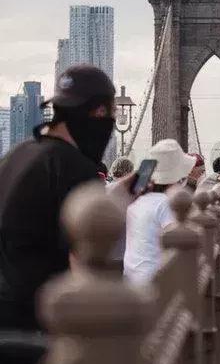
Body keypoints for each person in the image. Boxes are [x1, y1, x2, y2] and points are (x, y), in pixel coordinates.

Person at [0, 65, 137, 331]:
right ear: (99, 112)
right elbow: (83, 262)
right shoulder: (76, 168)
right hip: (40, 326)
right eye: (112, 112)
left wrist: (113, 196)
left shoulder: (17, 154)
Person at [123, 139, 196, 284]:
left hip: (131, 278)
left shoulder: (136, 200)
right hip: (156, 282)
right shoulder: (166, 203)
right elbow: (179, 238)